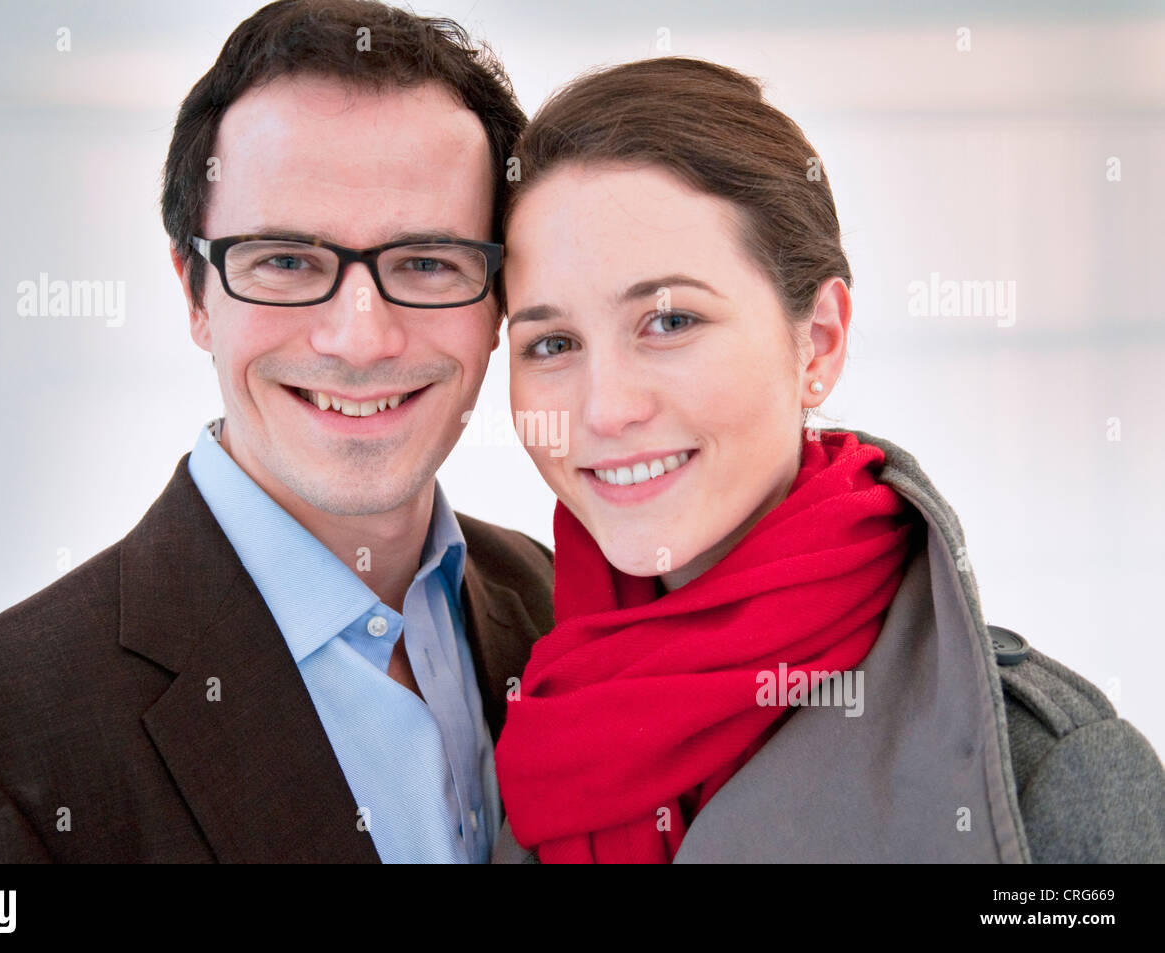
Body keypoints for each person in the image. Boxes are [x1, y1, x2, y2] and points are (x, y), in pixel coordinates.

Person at [0, 0, 551, 863]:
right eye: (288, 262)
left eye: (425, 262)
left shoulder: (563, 611)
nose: (361, 338)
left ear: (498, 297)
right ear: (196, 292)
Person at [492, 56, 1165, 863]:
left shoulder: (1047, 769)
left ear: (818, 340)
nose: (605, 408)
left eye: (669, 322)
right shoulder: (526, 702)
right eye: (553, 342)